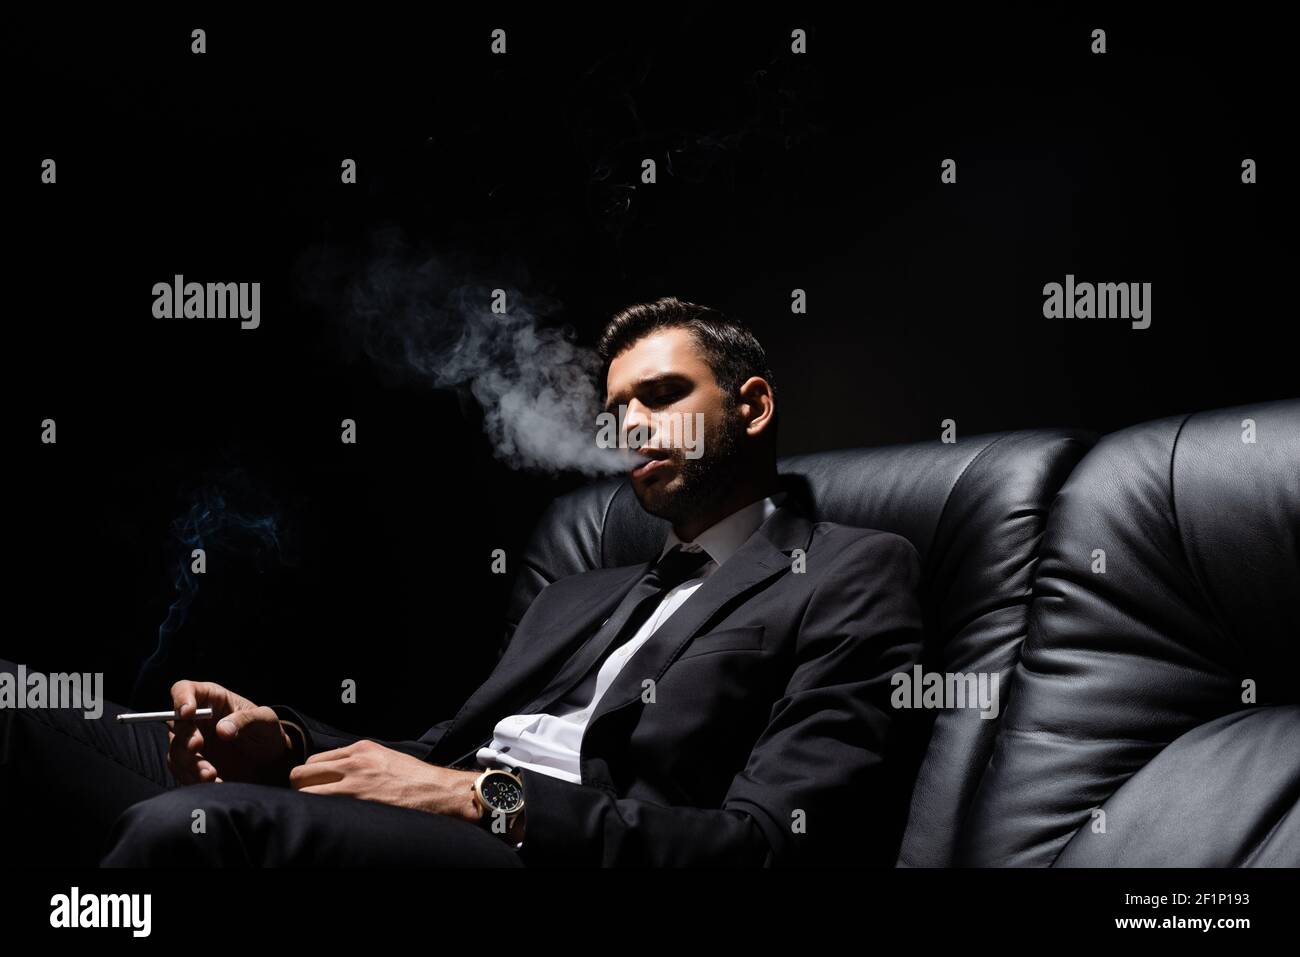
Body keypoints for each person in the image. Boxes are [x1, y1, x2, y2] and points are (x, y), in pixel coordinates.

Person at [0, 296, 924, 867]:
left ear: (752, 404)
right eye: (615, 409)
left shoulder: (850, 569)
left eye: (661, 394)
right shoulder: (581, 590)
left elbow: (761, 847)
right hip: (440, 815)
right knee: (25, 729)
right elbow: (434, 747)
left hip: (531, 847)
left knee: (185, 833)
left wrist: (486, 798)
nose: (630, 423)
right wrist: (279, 740)